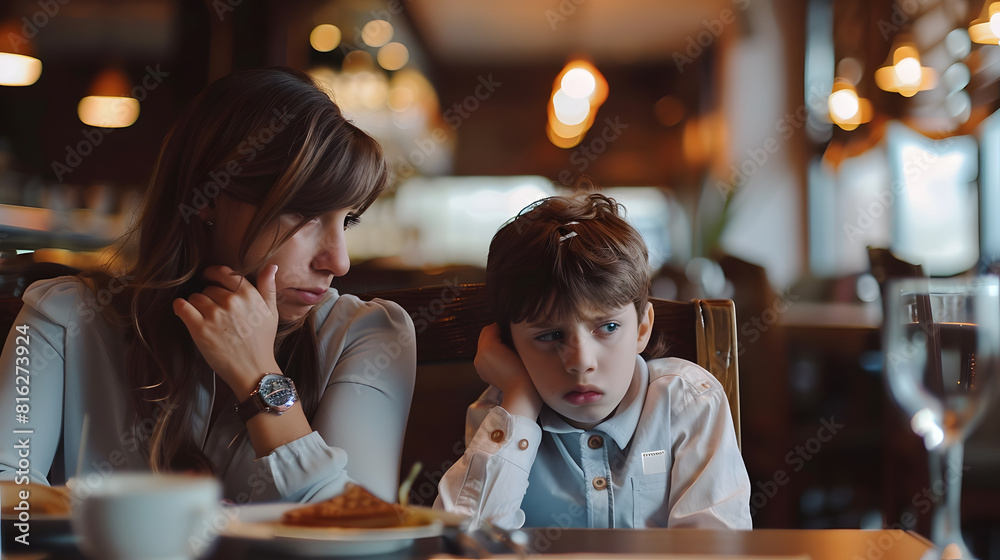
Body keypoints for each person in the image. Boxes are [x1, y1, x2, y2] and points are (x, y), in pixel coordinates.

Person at [0, 67, 415, 504]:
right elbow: (9, 497)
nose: (339, 261)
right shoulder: (64, 318)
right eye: (306, 215)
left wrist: (259, 378)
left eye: (347, 221)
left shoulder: (367, 336)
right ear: (208, 195)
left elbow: (359, 528)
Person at [435, 193, 751, 529]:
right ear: (511, 345)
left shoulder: (688, 403)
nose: (581, 362)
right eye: (549, 335)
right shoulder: (502, 417)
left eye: (608, 327)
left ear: (642, 329)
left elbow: (713, 547)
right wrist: (519, 395)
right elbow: (464, 542)